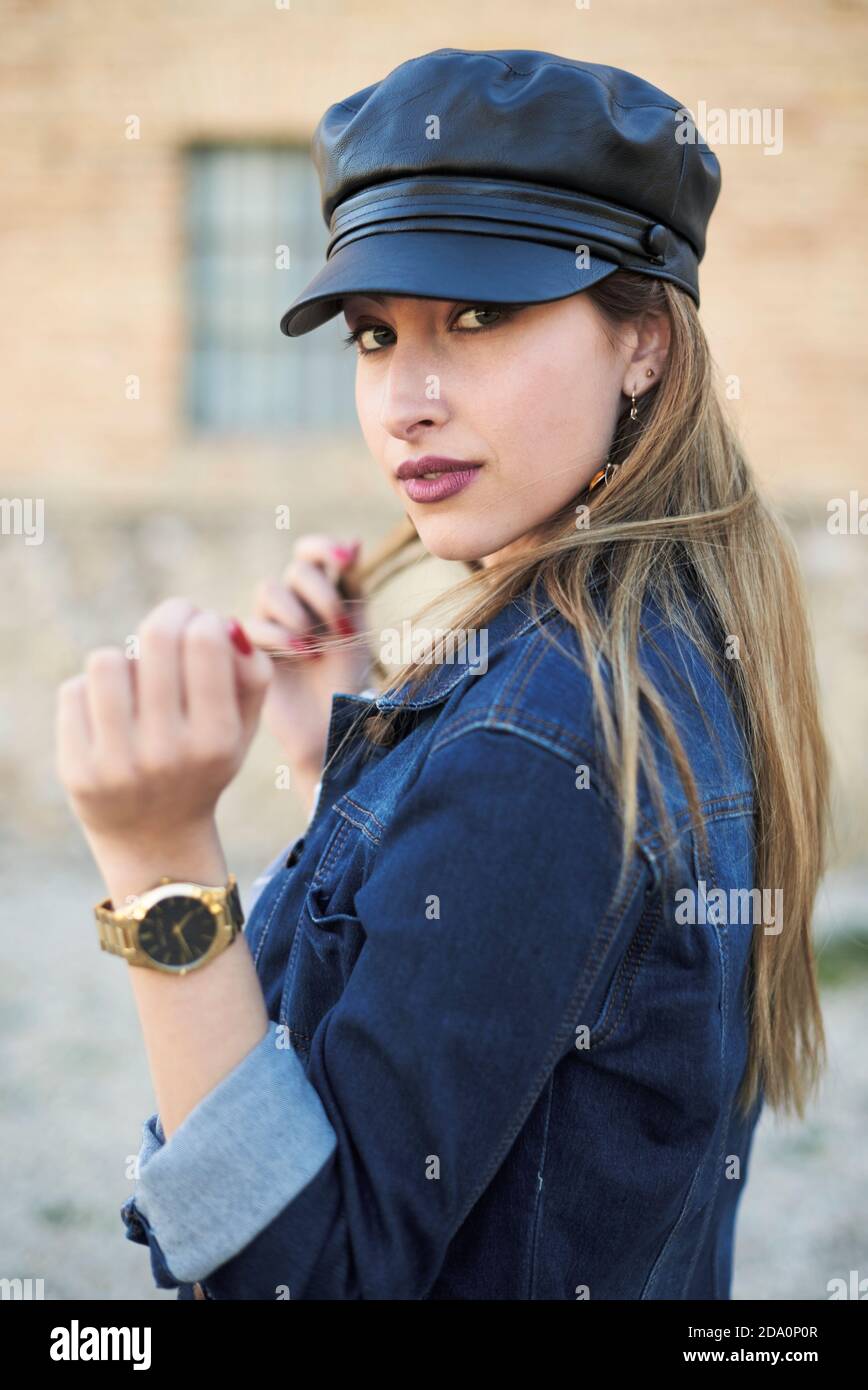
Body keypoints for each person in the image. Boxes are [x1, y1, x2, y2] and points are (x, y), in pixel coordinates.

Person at [56, 49, 831, 1300]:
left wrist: (159, 872)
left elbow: (311, 1284)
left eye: (477, 318)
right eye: (376, 334)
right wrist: (342, 765)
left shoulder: (540, 739)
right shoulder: (670, 635)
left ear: (641, 341)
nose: (406, 400)